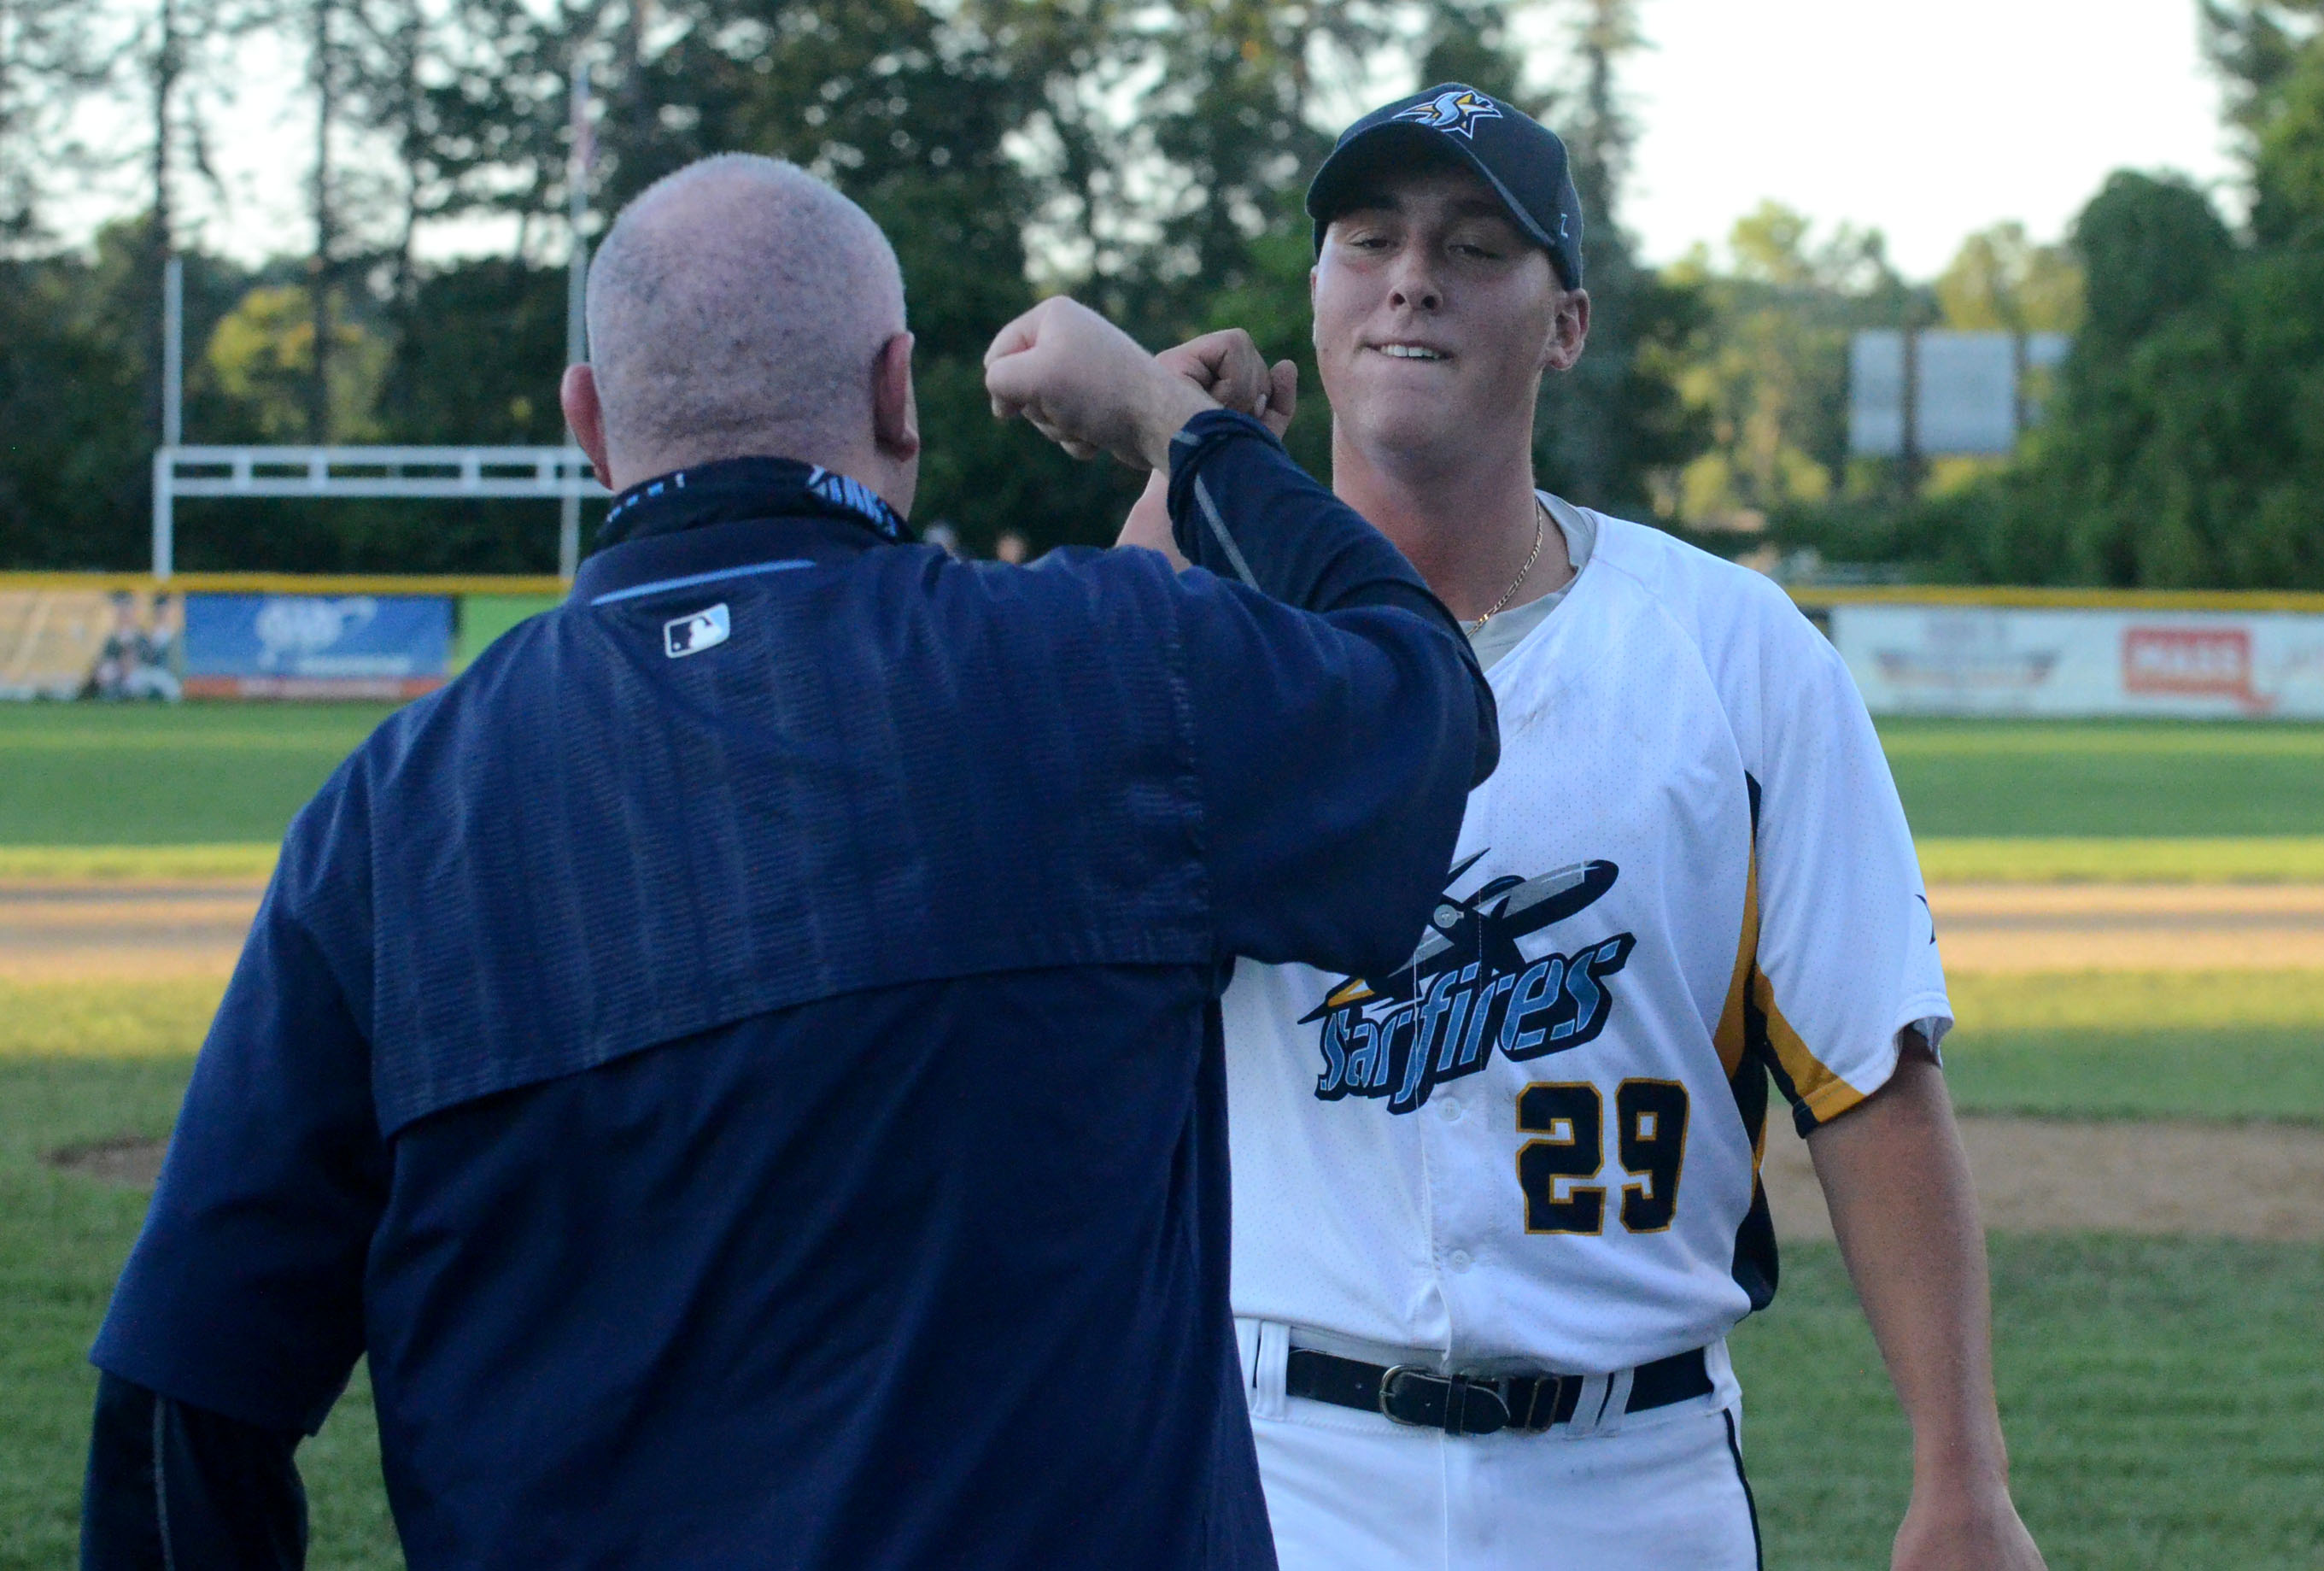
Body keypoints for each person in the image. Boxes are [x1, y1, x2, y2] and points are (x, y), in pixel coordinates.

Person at [82, 153, 1497, 1569]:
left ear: (587, 423)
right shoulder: (1106, 674)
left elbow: (184, 1394)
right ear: (898, 393)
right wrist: (1175, 427)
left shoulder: (386, 825)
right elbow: (1420, 697)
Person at [1121, 87, 2047, 1570]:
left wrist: (1962, 1476)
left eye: (1477, 247)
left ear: (1564, 326)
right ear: (1316, 295)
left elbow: (1867, 1073)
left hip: (1637, 1472)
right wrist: (1178, 485)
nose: (1412, 275)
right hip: (1281, 1459)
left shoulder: (1734, 652)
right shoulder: (1200, 636)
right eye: (1368, 240)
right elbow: (1075, 956)